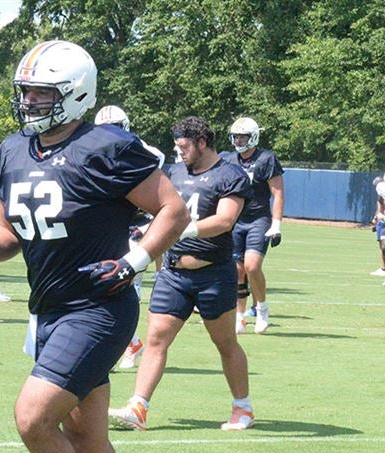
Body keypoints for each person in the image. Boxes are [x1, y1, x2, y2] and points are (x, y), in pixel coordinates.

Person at [0, 39, 188, 453]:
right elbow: (16, 230)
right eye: (27, 91)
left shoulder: (106, 147)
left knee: (33, 417)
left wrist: (134, 262)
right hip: (50, 308)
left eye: (43, 91)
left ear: (75, 93)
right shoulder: (13, 150)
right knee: (85, 435)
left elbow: (173, 208)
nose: (31, 101)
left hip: (99, 307)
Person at [109, 116, 255, 432]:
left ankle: (242, 408)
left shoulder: (230, 175)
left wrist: (183, 229)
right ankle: (138, 407)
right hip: (174, 273)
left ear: (202, 142)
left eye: (185, 146)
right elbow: (161, 211)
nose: (180, 153)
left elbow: (225, 221)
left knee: (225, 343)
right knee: (156, 338)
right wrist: (147, 229)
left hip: (213, 273)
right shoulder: (174, 172)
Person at [94, 104, 166, 369]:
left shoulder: (146, 154)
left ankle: (122, 344)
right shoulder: (90, 152)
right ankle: (129, 343)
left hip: (138, 225)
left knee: (125, 284)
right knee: (106, 285)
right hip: (109, 227)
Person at [221, 116, 284, 334]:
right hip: (236, 219)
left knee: (252, 266)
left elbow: (277, 193)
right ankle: (239, 316)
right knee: (237, 270)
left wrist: (276, 223)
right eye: (236, 136)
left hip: (259, 218)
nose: (238, 140)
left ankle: (262, 308)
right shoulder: (229, 160)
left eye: (243, 136)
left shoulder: (267, 159)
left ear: (253, 137)